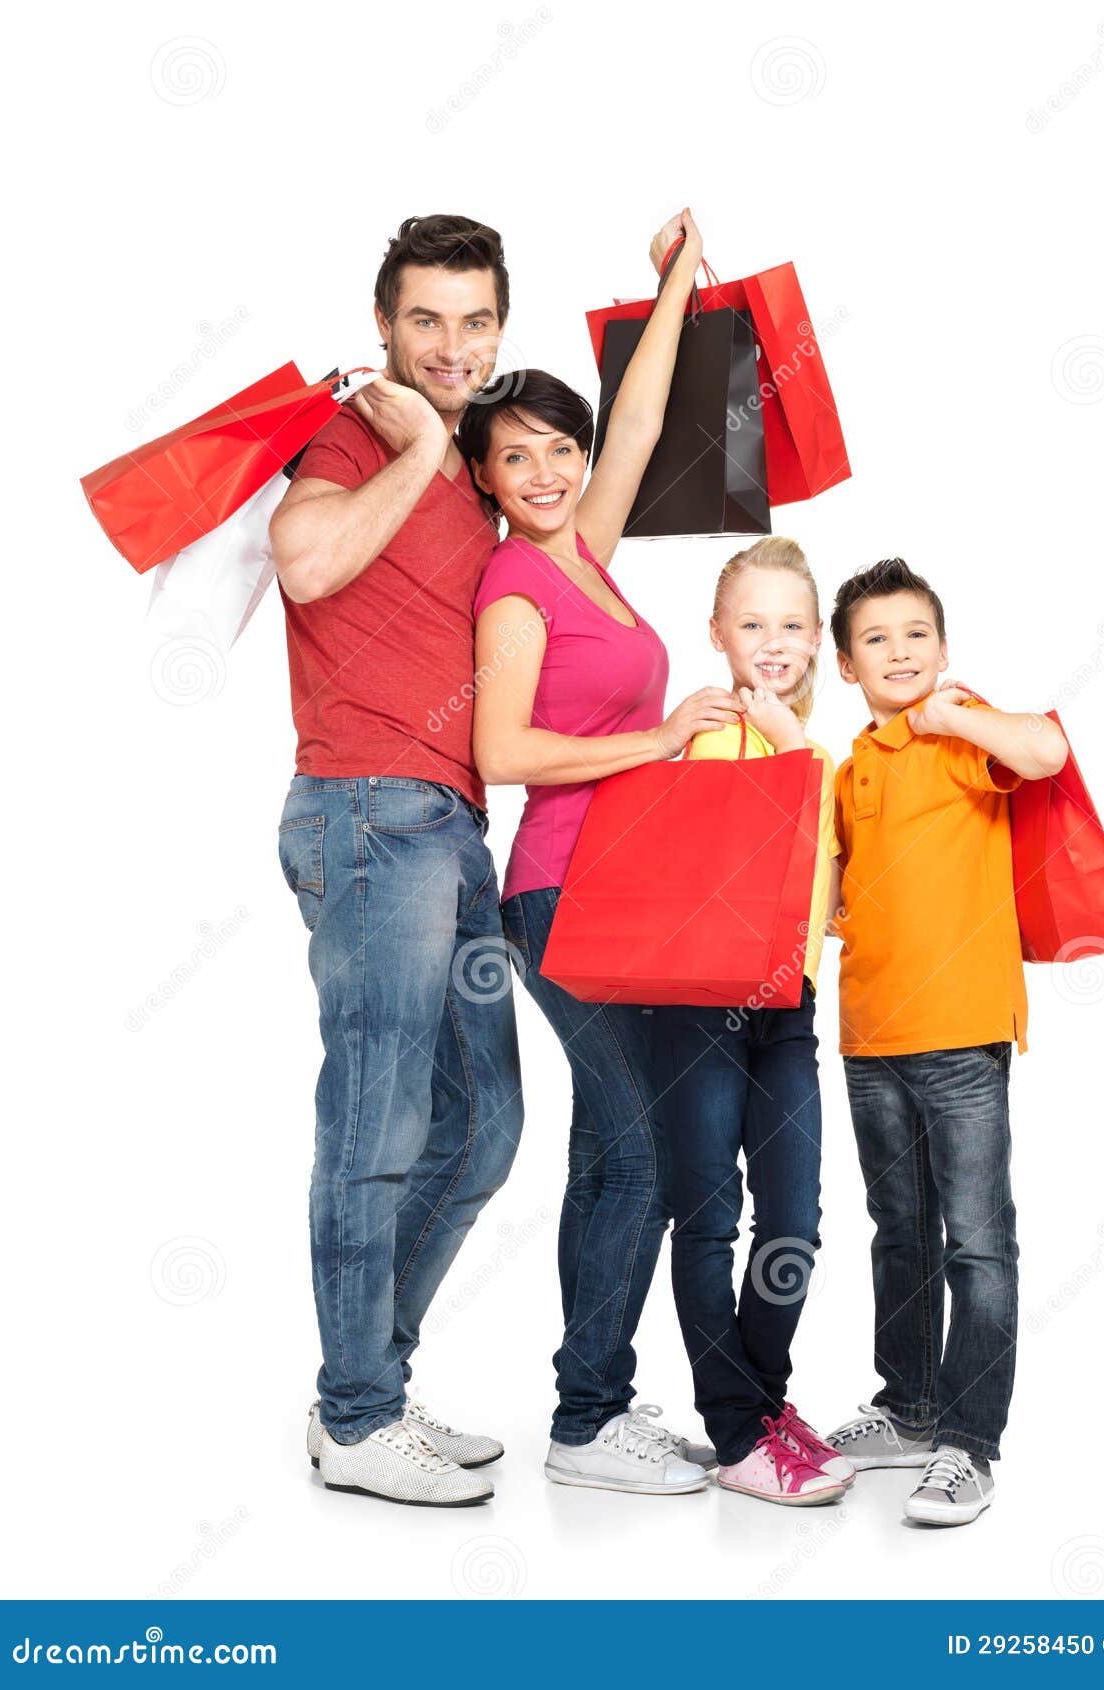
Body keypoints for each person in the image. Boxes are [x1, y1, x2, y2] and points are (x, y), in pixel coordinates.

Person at [464, 208, 741, 1495]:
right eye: (514, 459)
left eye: (556, 449)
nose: (548, 471)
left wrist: (674, 279)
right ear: (486, 480)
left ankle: (589, 1406)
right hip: (555, 890)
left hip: (628, 891)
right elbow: (507, 751)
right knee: (636, 1147)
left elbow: (636, 422)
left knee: (605, 1150)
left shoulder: (586, 553)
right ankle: (588, 1421)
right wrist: (660, 739)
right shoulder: (517, 584)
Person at [268, 215, 525, 1508]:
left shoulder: (479, 463)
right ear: (383, 323)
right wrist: (417, 438)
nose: (450, 346)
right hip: (367, 814)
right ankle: (358, 1413)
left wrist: (669, 299)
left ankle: (366, 1385)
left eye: (474, 321)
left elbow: (625, 458)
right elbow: (306, 560)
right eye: (425, 319)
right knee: (376, 1125)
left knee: (483, 1124)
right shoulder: (360, 435)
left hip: (447, 823)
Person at [821, 557, 1067, 1525]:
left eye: (915, 634)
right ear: (846, 665)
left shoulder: (963, 737)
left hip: (961, 1032)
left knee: (978, 1242)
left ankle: (969, 1443)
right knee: (899, 1234)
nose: (898, 651)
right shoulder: (850, 768)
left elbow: (1043, 752)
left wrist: (953, 715)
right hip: (868, 1034)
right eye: (875, 639)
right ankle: (909, 1406)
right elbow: (834, 887)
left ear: (943, 650)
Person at [655, 537, 852, 1506]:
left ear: (815, 638)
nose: (770, 642)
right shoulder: (706, 731)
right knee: (708, 1218)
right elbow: (700, 858)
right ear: (717, 635)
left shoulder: (814, 745)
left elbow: (834, 871)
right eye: (751, 624)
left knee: (795, 1220)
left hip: (788, 1002)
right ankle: (738, 1432)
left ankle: (762, 1405)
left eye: (788, 625)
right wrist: (782, 742)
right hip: (697, 1002)